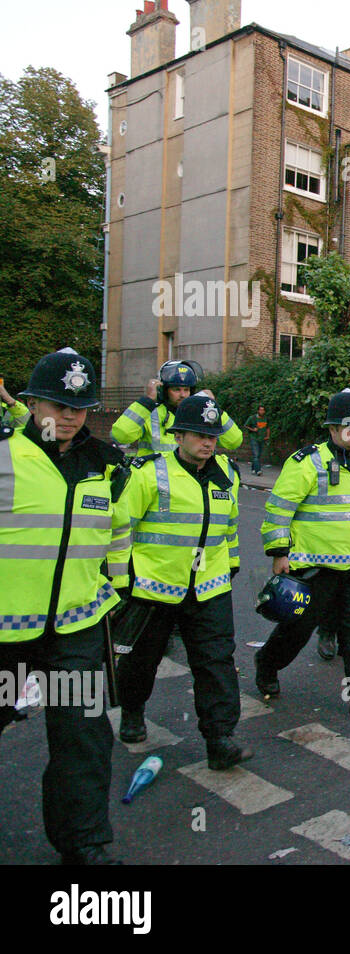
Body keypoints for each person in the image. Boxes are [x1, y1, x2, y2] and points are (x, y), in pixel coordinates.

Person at [0, 350, 124, 864]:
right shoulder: (5, 458)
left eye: (80, 406)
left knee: (84, 741)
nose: (70, 415)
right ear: (31, 404)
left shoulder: (107, 467)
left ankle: (84, 846)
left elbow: (118, 535)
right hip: (6, 633)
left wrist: (117, 590)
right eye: (57, 404)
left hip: (77, 625)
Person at [110, 394, 252, 770]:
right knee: (142, 660)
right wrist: (121, 582)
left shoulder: (227, 474)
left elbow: (229, 526)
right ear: (178, 436)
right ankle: (133, 711)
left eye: (212, 436)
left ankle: (220, 739)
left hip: (209, 587)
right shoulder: (147, 473)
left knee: (216, 663)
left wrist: (232, 564)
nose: (208, 442)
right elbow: (119, 528)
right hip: (153, 588)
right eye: (198, 435)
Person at [256, 389, 350, 722]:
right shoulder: (308, 462)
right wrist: (279, 552)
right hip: (315, 570)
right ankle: (267, 663)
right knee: (297, 631)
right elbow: (279, 509)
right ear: (332, 429)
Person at [112, 360, 242, 457]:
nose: (183, 395)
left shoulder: (200, 415)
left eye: (186, 389)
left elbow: (234, 441)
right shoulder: (149, 413)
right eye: (176, 389)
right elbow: (120, 436)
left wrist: (214, 409)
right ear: (163, 390)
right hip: (154, 483)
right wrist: (147, 402)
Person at [242, 406, 270, 476]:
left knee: (258, 455)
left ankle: (253, 468)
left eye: (263, 410)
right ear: (258, 411)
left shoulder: (266, 419)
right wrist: (253, 429)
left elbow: (267, 428)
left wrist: (267, 436)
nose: (262, 412)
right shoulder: (253, 418)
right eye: (260, 410)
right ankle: (258, 470)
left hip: (262, 438)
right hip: (254, 438)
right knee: (256, 455)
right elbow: (246, 425)